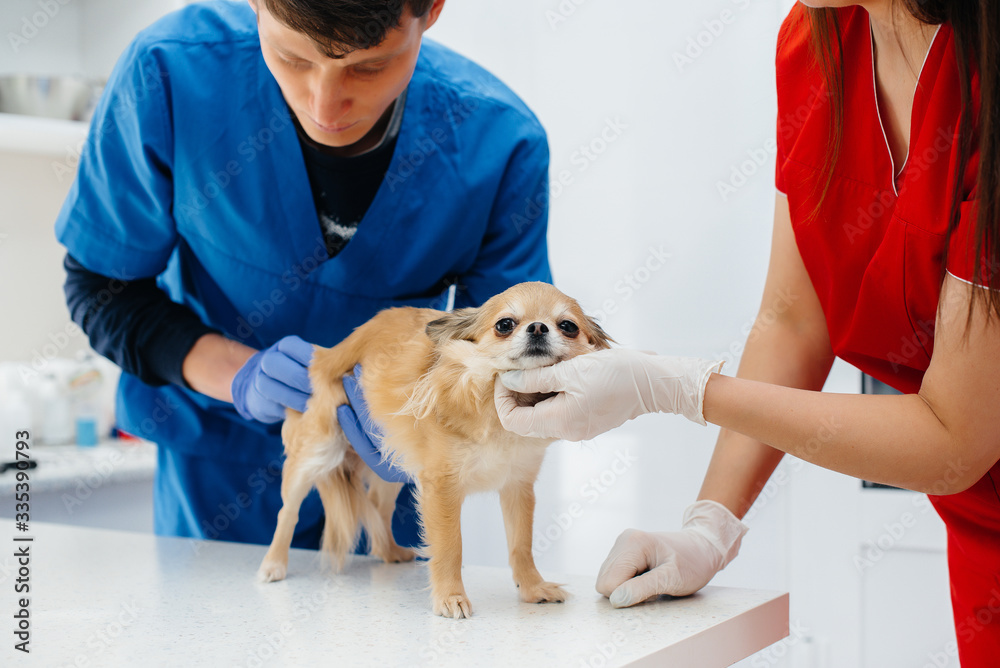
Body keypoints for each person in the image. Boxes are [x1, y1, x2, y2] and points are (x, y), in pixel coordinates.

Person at [493, 1, 1000, 664]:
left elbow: (955, 438)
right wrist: (710, 526)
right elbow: (795, 318)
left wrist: (675, 389)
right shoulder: (818, 38)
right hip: (976, 529)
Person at [54, 0, 551, 551]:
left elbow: (511, 360)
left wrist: (435, 418)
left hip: (386, 475)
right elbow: (103, 289)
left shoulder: (498, 143)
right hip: (216, 478)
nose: (324, 106)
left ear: (431, 10)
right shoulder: (172, 73)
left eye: (368, 67)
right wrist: (240, 375)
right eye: (292, 58)